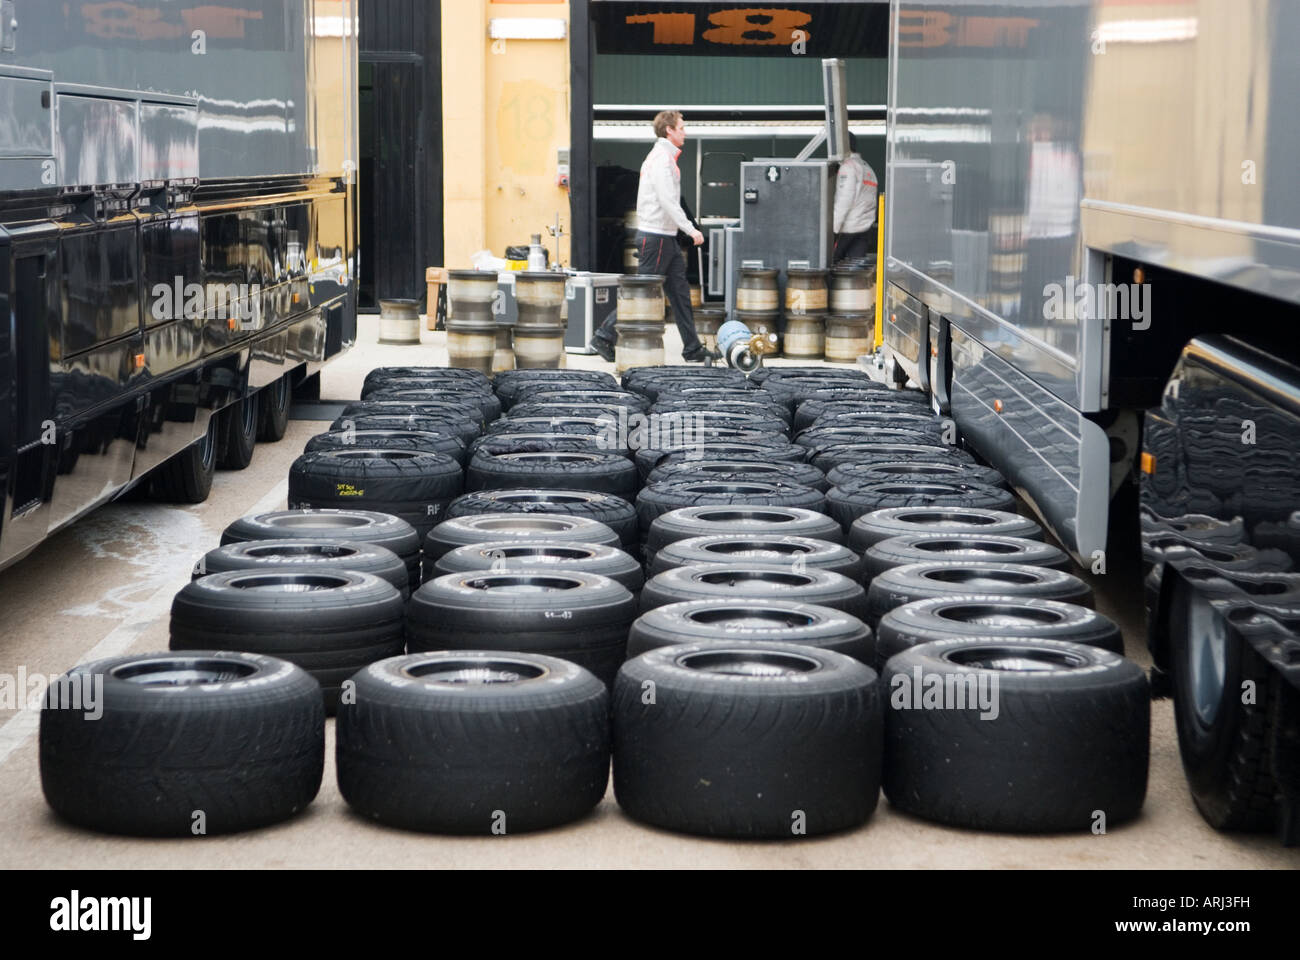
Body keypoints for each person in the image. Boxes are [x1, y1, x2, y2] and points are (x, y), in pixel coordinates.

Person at [590, 110, 718, 363]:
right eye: (681, 127)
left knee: (680, 295)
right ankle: (603, 336)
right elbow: (668, 201)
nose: (685, 132)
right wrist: (690, 229)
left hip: (665, 238)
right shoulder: (661, 159)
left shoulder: (666, 158)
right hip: (656, 238)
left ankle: (692, 348)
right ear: (669, 130)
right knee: (642, 291)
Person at [832, 134, 879, 263]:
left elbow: (844, 200)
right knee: (855, 271)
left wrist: (833, 229)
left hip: (846, 230)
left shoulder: (848, 167)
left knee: (830, 266)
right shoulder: (867, 168)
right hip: (863, 229)